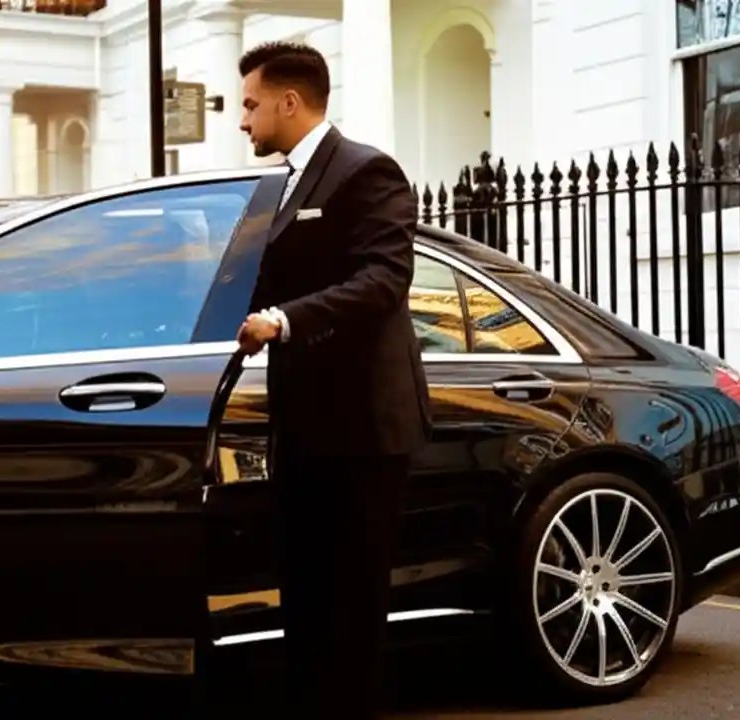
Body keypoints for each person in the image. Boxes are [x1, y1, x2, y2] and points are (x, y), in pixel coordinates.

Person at [234, 41, 433, 719]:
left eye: (251, 105)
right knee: (307, 596)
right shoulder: (277, 185)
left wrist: (282, 322)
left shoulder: (365, 171)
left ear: (290, 102)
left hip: (362, 432)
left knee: (351, 607)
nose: (243, 121)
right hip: (304, 428)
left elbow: (383, 280)